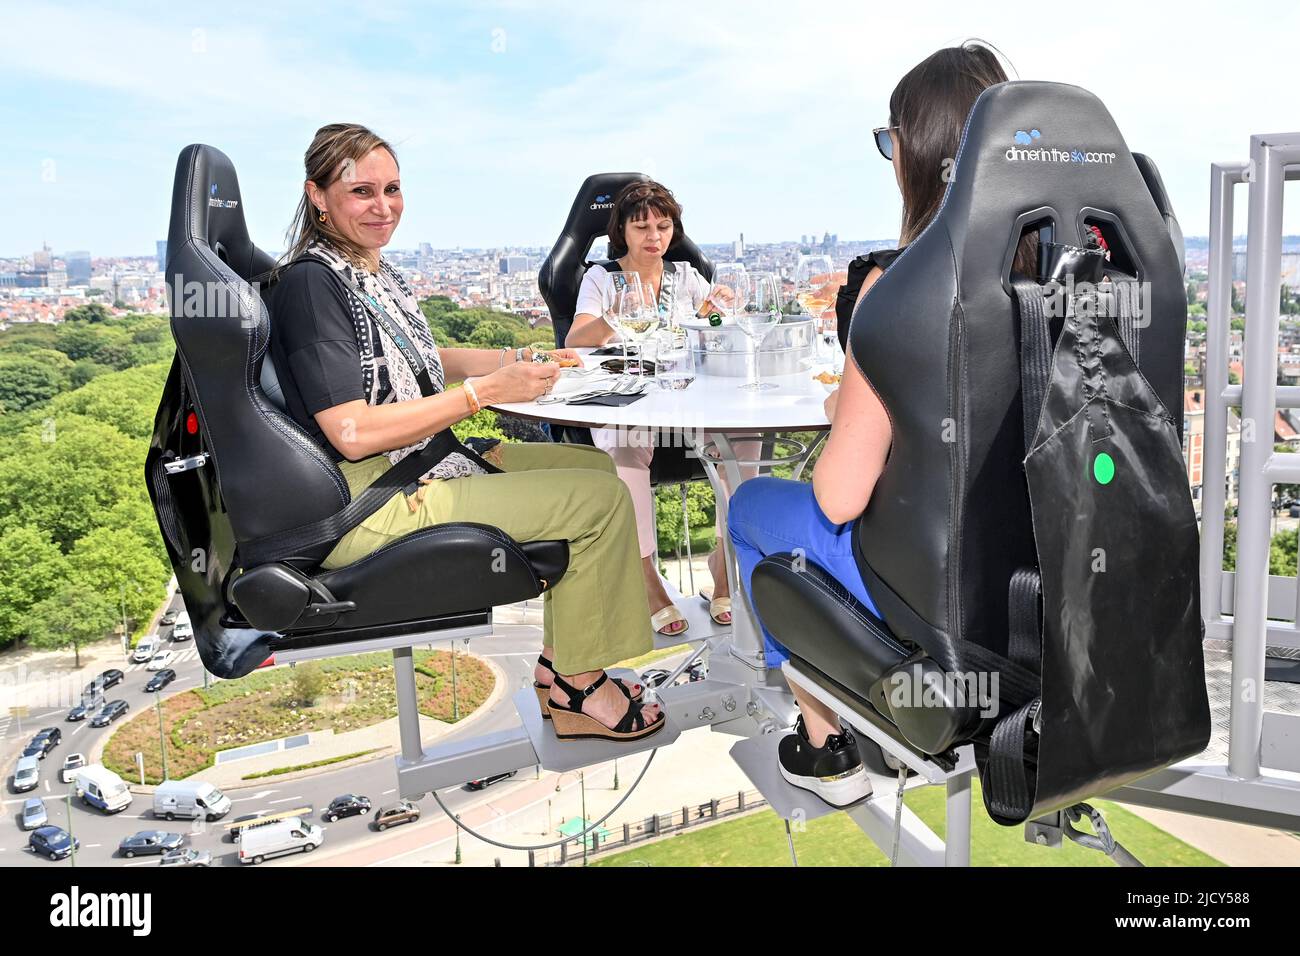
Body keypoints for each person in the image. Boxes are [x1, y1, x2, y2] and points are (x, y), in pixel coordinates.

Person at [267, 123, 662, 742]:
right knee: (602, 502)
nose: (384, 206)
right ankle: (581, 686)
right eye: (362, 191)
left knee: (598, 469)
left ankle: (562, 672)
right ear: (318, 196)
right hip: (376, 499)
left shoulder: (364, 272)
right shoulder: (312, 286)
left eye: (392, 189)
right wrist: (482, 396)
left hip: (415, 465)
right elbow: (351, 431)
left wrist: (506, 359)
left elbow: (415, 355)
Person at [728, 41, 1038, 806]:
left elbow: (838, 496)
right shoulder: (1066, 275)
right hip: (1035, 601)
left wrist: (850, 402)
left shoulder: (896, 289)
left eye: (889, 142)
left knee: (747, 509)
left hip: (933, 610)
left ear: (917, 155)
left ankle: (825, 743)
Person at [565, 180, 755, 636]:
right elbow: (576, 338)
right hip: (631, 397)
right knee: (624, 444)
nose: (654, 236)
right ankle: (646, 576)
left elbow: (712, 332)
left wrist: (717, 311)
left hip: (687, 396)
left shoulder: (686, 277)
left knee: (746, 440)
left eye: (663, 226)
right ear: (622, 231)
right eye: (642, 226)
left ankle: (725, 564)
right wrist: (621, 313)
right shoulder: (602, 278)